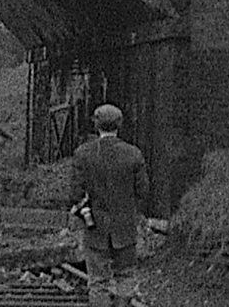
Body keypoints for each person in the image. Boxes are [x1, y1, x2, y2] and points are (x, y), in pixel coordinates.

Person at [71, 104, 150, 307]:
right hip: (125, 227)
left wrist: (85, 214)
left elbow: (75, 195)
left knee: (98, 282)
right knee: (125, 277)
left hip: (95, 227)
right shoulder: (133, 154)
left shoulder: (83, 154)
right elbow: (143, 193)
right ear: (120, 125)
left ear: (96, 125)